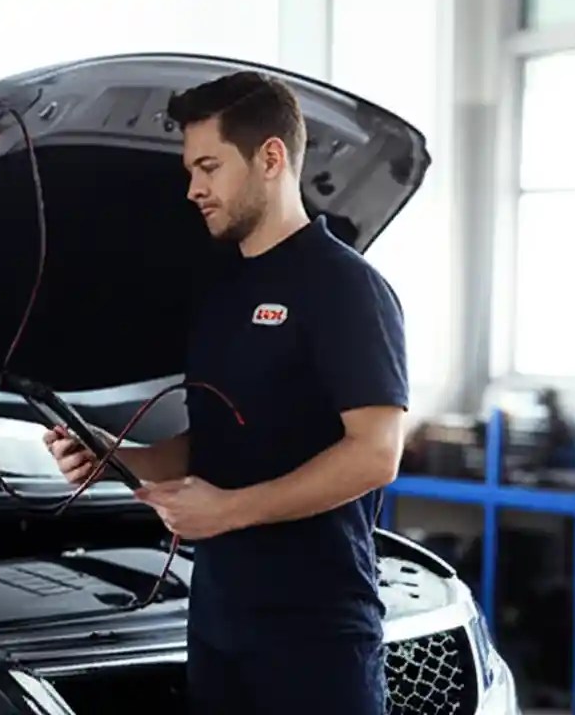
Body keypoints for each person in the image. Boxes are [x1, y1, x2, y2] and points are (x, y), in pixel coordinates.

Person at [42, 70, 408, 714]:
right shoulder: (220, 292)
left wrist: (230, 509)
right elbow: (213, 441)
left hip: (316, 637)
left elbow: (376, 453)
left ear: (271, 158)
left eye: (208, 166)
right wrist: (117, 457)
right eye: (191, 169)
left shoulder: (346, 288)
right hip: (217, 625)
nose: (194, 189)